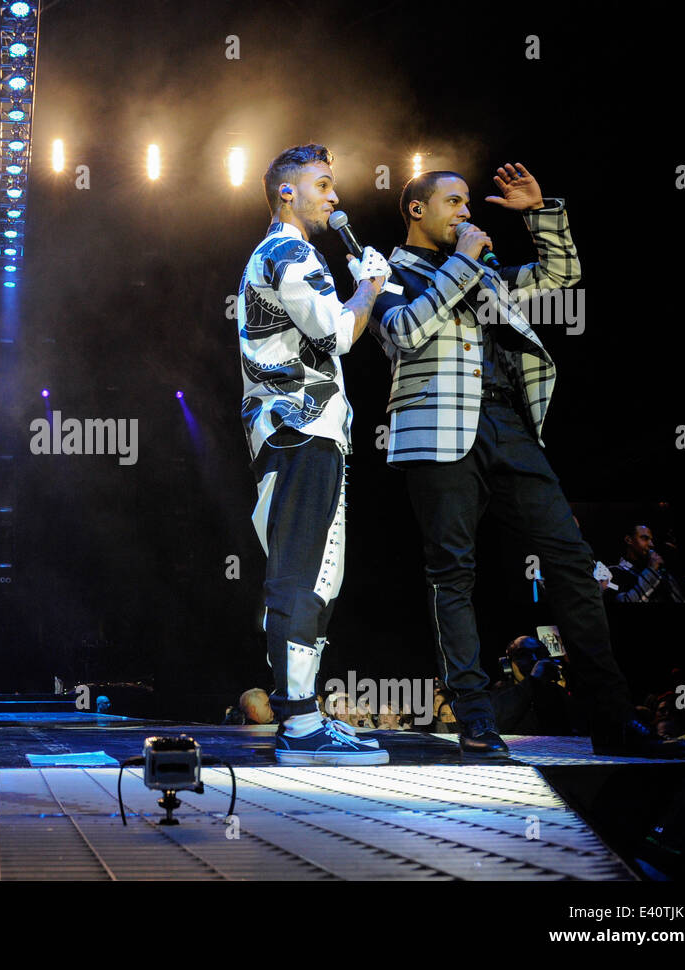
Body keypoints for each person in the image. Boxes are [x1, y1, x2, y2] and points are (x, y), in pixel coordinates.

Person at [371, 163, 685, 759]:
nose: (467, 212)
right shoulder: (386, 268)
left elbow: (561, 276)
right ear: (417, 210)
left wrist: (540, 216)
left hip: (507, 421)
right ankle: (474, 721)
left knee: (573, 559)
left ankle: (614, 720)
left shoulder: (489, 269)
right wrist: (464, 264)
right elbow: (400, 333)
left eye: (469, 202)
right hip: (438, 430)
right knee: (453, 575)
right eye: (453, 202)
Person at [236, 144, 389, 764]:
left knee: (321, 575)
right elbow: (337, 333)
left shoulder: (294, 252)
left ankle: (304, 715)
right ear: (287, 192)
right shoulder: (287, 250)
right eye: (322, 184)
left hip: (309, 430)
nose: (335, 196)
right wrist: (371, 286)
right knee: (303, 573)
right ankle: (298, 723)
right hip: (297, 429)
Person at [610, 525, 685, 603]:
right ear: (629, 540)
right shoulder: (613, 572)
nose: (651, 544)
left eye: (651, 540)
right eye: (645, 538)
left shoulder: (660, 570)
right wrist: (651, 570)